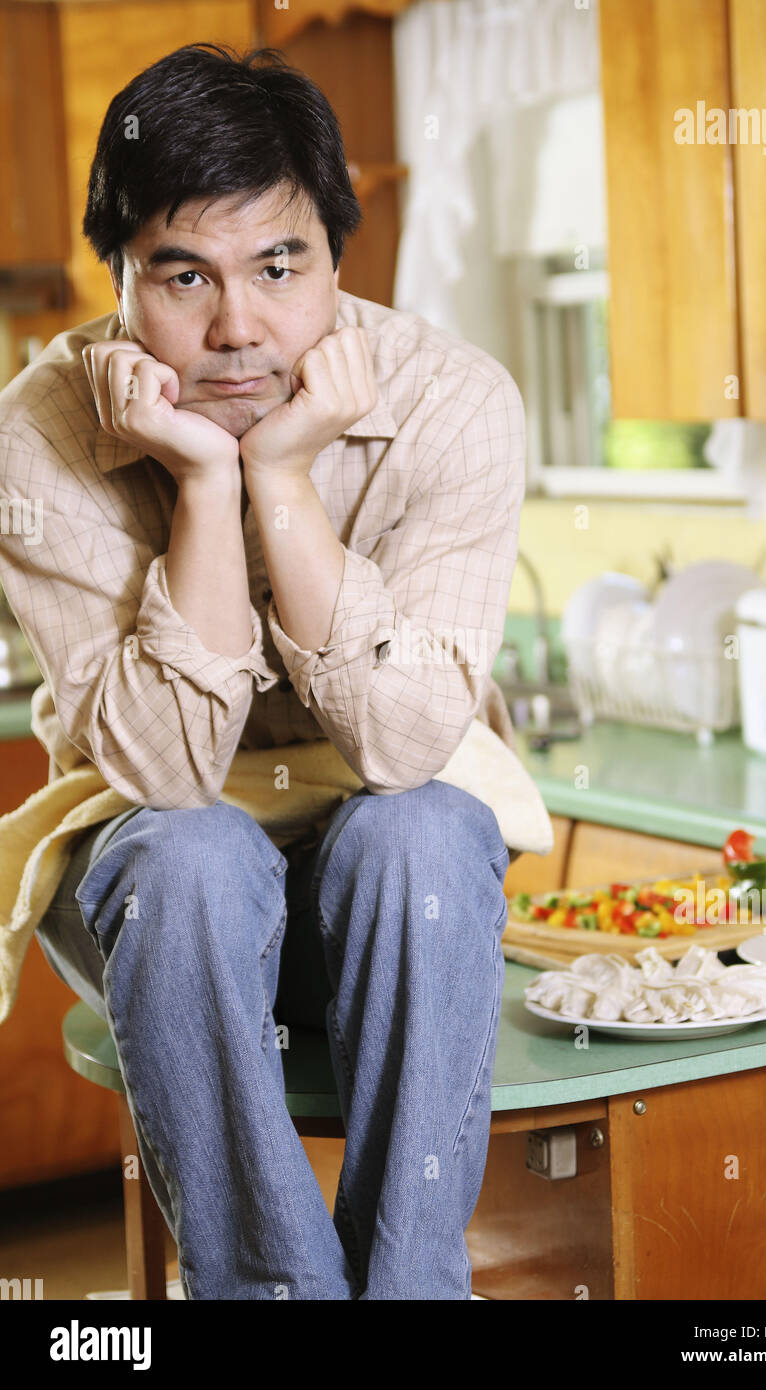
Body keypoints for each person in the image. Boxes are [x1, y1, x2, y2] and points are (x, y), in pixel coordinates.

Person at [0, 43, 528, 1300]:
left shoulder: (455, 403)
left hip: (401, 912)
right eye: (182, 275)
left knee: (421, 828)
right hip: (160, 903)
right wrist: (203, 479)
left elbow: (403, 748)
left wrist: (283, 484)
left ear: (336, 263)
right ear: (119, 282)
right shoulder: (41, 434)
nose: (236, 328)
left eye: (278, 268)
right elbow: (170, 776)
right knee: (189, 857)